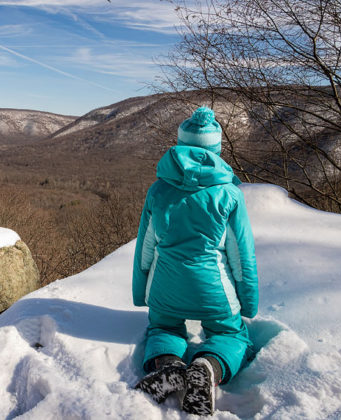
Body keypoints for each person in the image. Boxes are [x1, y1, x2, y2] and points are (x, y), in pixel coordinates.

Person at [132, 106, 259, 415]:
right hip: (212, 288)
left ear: (180, 145)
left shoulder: (159, 189)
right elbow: (242, 254)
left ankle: (169, 365)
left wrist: (141, 292)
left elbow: (145, 248)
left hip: (165, 286)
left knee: (163, 329)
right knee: (230, 334)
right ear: (215, 149)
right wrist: (249, 301)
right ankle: (208, 367)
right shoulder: (229, 194)